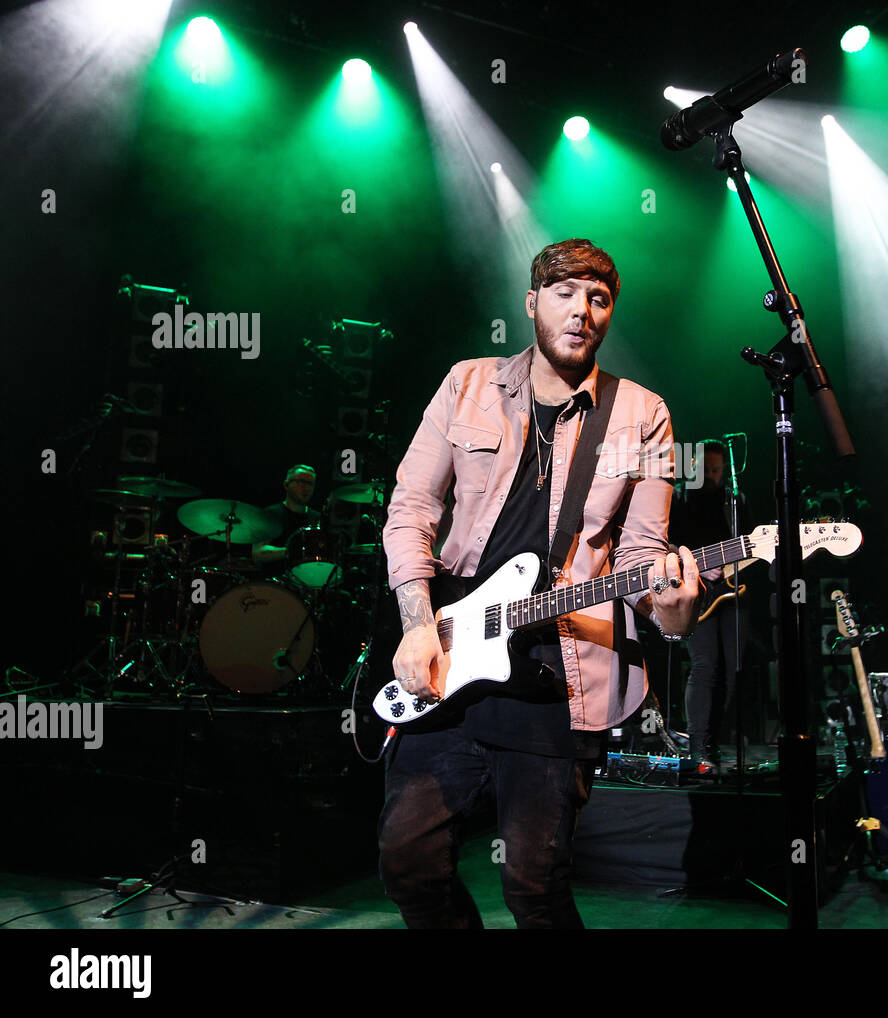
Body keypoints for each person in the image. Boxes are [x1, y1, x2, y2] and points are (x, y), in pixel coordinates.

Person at [379, 238, 700, 928]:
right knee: (407, 858)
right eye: (564, 293)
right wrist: (415, 621)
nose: (581, 310)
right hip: (452, 654)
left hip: (560, 678)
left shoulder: (641, 413)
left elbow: (644, 556)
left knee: (535, 887)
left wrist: (672, 613)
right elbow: (411, 508)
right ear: (532, 303)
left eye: (599, 297)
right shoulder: (467, 383)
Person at [668, 440, 754, 772]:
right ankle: (698, 747)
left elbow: (751, 539)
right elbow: (663, 541)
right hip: (696, 590)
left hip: (735, 590)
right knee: (705, 666)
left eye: (718, 470)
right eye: (707, 469)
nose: (713, 476)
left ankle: (713, 742)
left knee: (734, 670)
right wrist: (697, 566)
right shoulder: (679, 498)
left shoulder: (734, 501)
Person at [251, 464, 322, 567]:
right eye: (301, 482)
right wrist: (294, 551)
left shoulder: (318, 518)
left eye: (310, 483)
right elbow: (257, 554)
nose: (305, 487)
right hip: (275, 579)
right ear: (286, 485)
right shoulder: (272, 514)